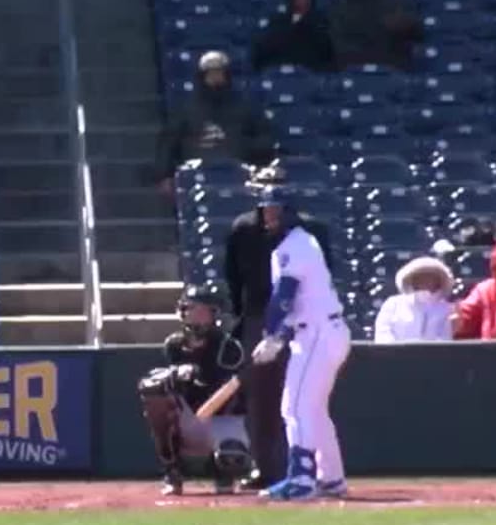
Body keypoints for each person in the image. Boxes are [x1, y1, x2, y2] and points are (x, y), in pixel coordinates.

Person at [223, 168, 333, 488]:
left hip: (303, 320)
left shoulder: (310, 230)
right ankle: (264, 466)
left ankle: (303, 468)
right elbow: (233, 278)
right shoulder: (242, 229)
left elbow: (324, 276)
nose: (269, 204)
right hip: (259, 318)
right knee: (261, 398)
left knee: (302, 397)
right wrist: (248, 319)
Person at [250, 184, 350, 501]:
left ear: (289, 213)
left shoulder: (296, 244)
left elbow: (285, 295)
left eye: (275, 211)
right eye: (266, 210)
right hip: (321, 330)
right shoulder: (298, 244)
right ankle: (331, 478)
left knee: (294, 408)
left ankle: (302, 479)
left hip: (318, 332)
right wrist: (279, 336)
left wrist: (270, 333)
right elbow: (295, 302)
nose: (268, 216)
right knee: (313, 410)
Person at [139, 283, 253, 497]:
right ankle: (172, 472)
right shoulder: (174, 345)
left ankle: (224, 474)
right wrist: (174, 376)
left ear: (213, 314)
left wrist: (197, 376)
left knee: (231, 455)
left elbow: (227, 396)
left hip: (223, 418)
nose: (192, 314)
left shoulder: (228, 347)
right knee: (154, 393)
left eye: (199, 310)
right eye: (189, 309)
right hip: (192, 419)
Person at [153, 50, 276, 195]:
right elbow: (168, 143)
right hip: (196, 176)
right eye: (211, 73)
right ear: (202, 76)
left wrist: (242, 145)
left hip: (239, 174)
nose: (215, 77)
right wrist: (165, 175)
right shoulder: (185, 109)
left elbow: (265, 140)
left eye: (219, 72)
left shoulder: (246, 107)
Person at [327, 0, 423, 71]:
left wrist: (407, 27)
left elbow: (418, 34)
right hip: (354, 71)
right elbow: (337, 48)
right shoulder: (338, 8)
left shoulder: (394, 0)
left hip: (393, 71)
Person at [251, 0, 335, 73]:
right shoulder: (278, 22)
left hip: (310, 69)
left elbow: (326, 51)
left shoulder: (322, 22)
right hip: (279, 68)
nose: (303, 0)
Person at [373, 256, 455, 343]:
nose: (425, 280)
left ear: (439, 281)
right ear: (412, 280)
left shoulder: (447, 309)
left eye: (430, 277)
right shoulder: (393, 304)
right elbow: (383, 335)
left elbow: (445, 340)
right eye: (420, 276)